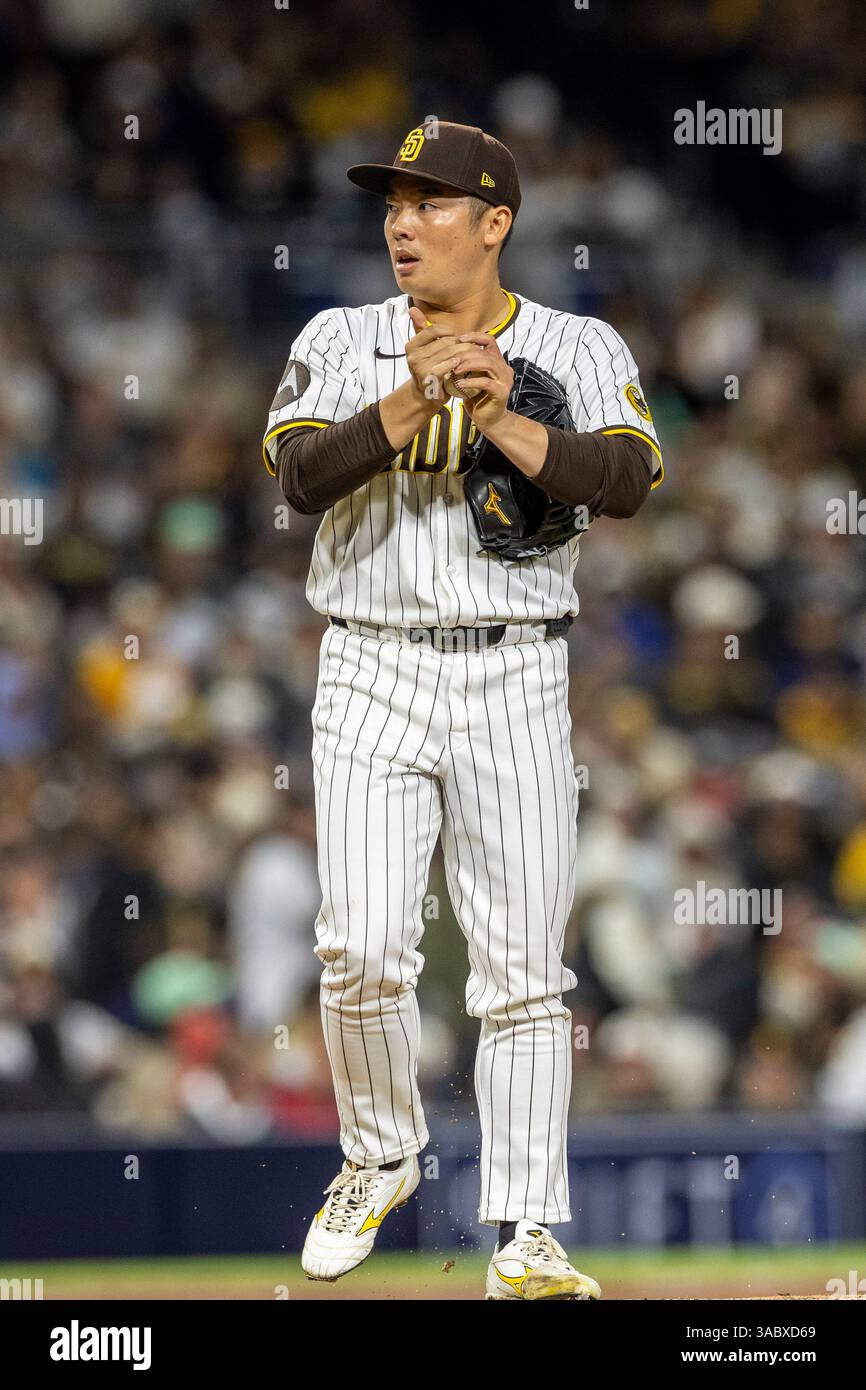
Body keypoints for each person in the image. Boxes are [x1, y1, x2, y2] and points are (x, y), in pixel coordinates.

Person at [262, 120, 663, 1300]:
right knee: (360, 947)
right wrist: (406, 403)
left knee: (523, 973)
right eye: (392, 201)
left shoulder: (575, 345)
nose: (400, 222)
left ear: (494, 223)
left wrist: (494, 412)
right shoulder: (339, 338)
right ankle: (379, 1151)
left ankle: (528, 1234)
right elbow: (295, 476)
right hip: (370, 660)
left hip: (517, 666)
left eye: (431, 202)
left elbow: (628, 480)